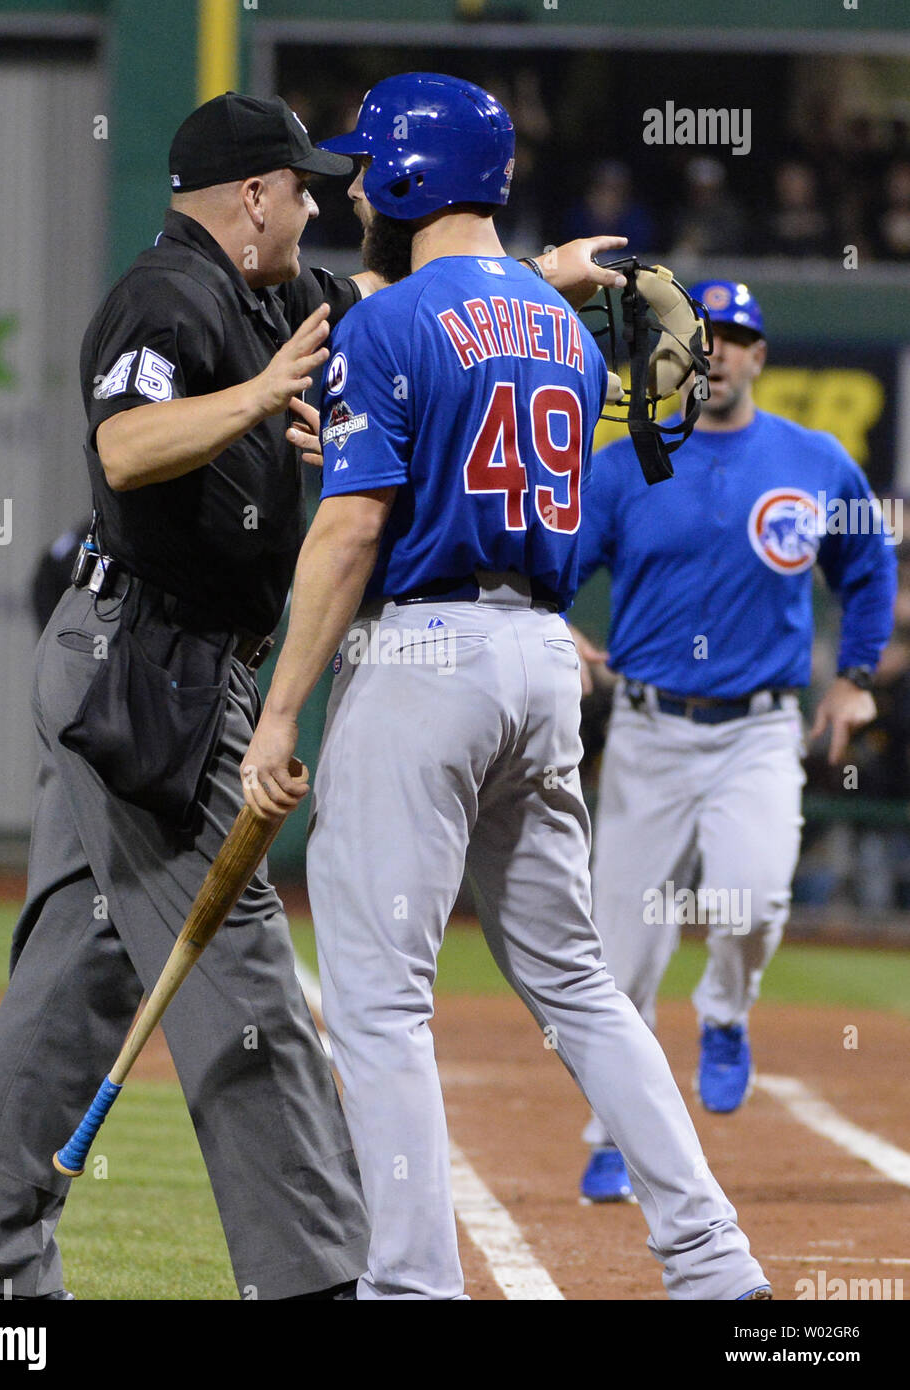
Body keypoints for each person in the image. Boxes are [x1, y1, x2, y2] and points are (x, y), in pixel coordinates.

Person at [0, 87, 634, 1304]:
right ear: (249, 197)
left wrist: (541, 281)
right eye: (301, 185)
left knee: (70, 990)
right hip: (144, 667)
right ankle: (325, 1284)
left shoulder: (278, 294)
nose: (324, 201)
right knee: (251, 989)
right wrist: (253, 396)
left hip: (175, 667)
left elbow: (410, 318)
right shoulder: (166, 295)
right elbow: (125, 447)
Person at [242, 72, 771, 1302]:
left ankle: (412, 1284)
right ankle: (713, 1260)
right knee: (579, 982)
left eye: (370, 166)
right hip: (540, 658)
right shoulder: (558, 328)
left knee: (378, 1001)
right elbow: (468, 389)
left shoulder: (389, 320)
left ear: (414, 180)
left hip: (427, 654)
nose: (356, 186)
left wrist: (279, 712)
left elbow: (350, 532)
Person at [572, 279, 896, 1203]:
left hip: (757, 730)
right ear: (676, 351)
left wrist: (856, 675)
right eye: (700, 335)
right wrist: (552, 622)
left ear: (760, 355)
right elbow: (553, 563)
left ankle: (723, 1012)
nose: (716, 351)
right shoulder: (627, 461)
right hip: (646, 733)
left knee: (750, 903)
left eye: (737, 337)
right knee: (623, 953)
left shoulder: (814, 460)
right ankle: (611, 1132)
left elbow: (868, 572)